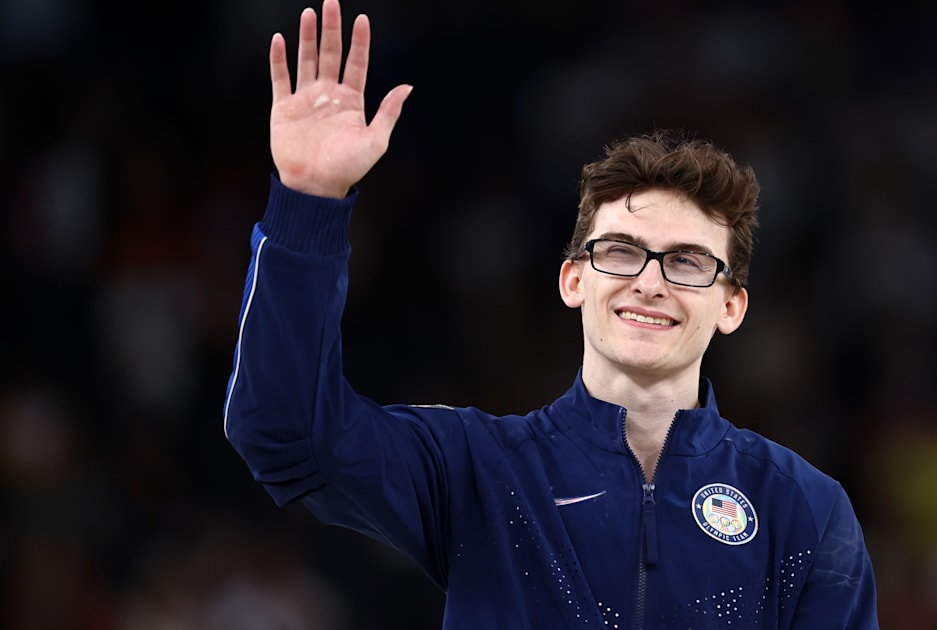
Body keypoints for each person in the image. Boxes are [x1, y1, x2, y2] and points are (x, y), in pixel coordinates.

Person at [223, 0, 880, 627]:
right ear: (574, 280)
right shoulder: (479, 470)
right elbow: (285, 432)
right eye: (621, 252)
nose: (650, 282)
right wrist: (309, 200)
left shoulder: (804, 508)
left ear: (731, 305)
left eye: (686, 262)